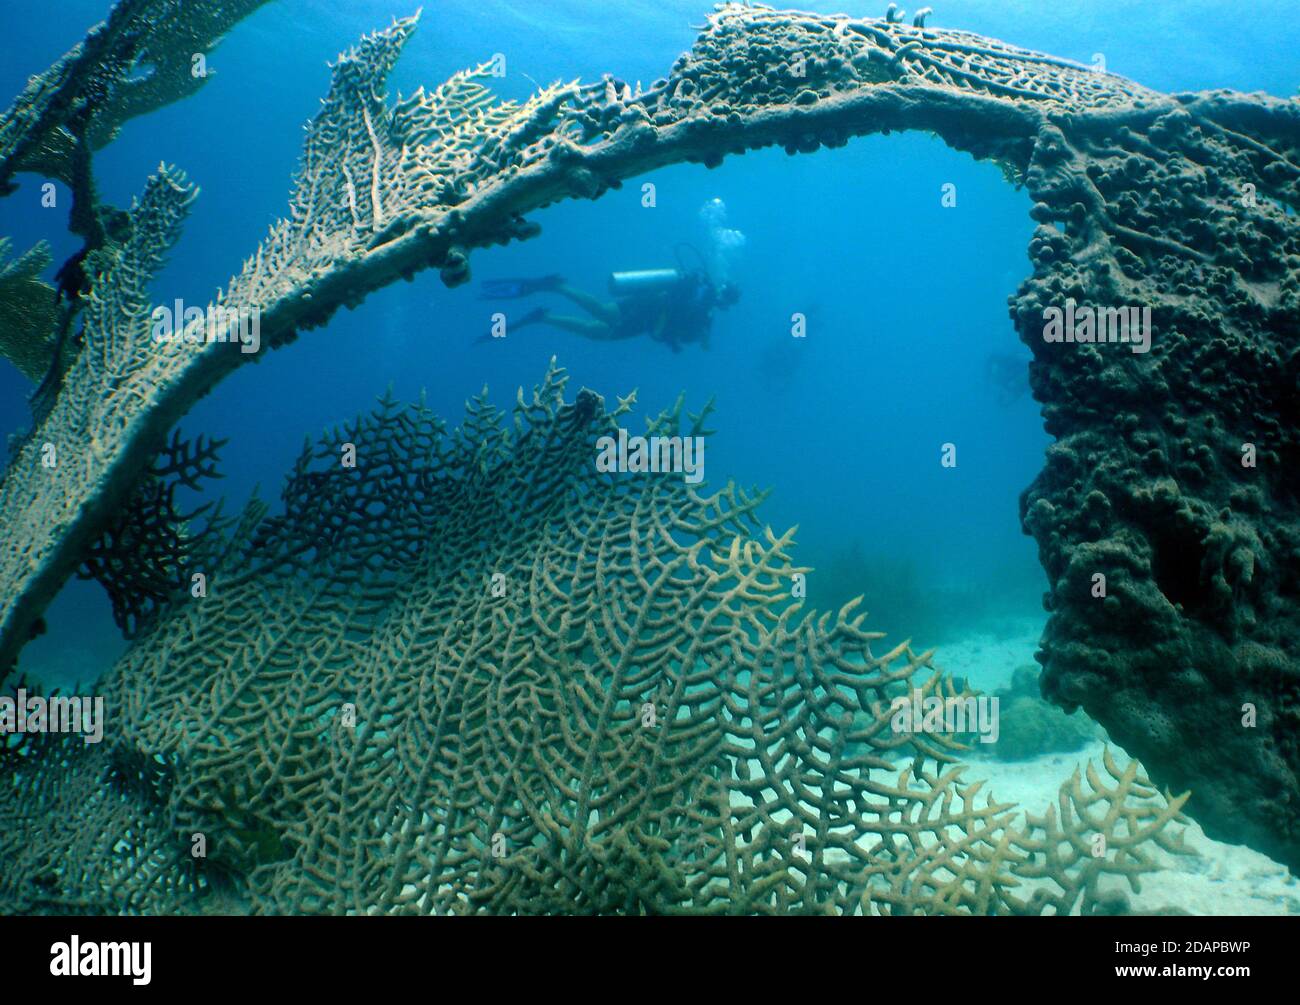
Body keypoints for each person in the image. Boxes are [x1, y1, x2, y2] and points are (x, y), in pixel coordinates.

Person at [479, 270, 740, 352]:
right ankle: (558, 287)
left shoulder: (706, 310)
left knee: (598, 332)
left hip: (646, 320)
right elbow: (674, 309)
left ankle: (544, 316)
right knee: (604, 315)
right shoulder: (702, 297)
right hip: (647, 305)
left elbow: (678, 332)